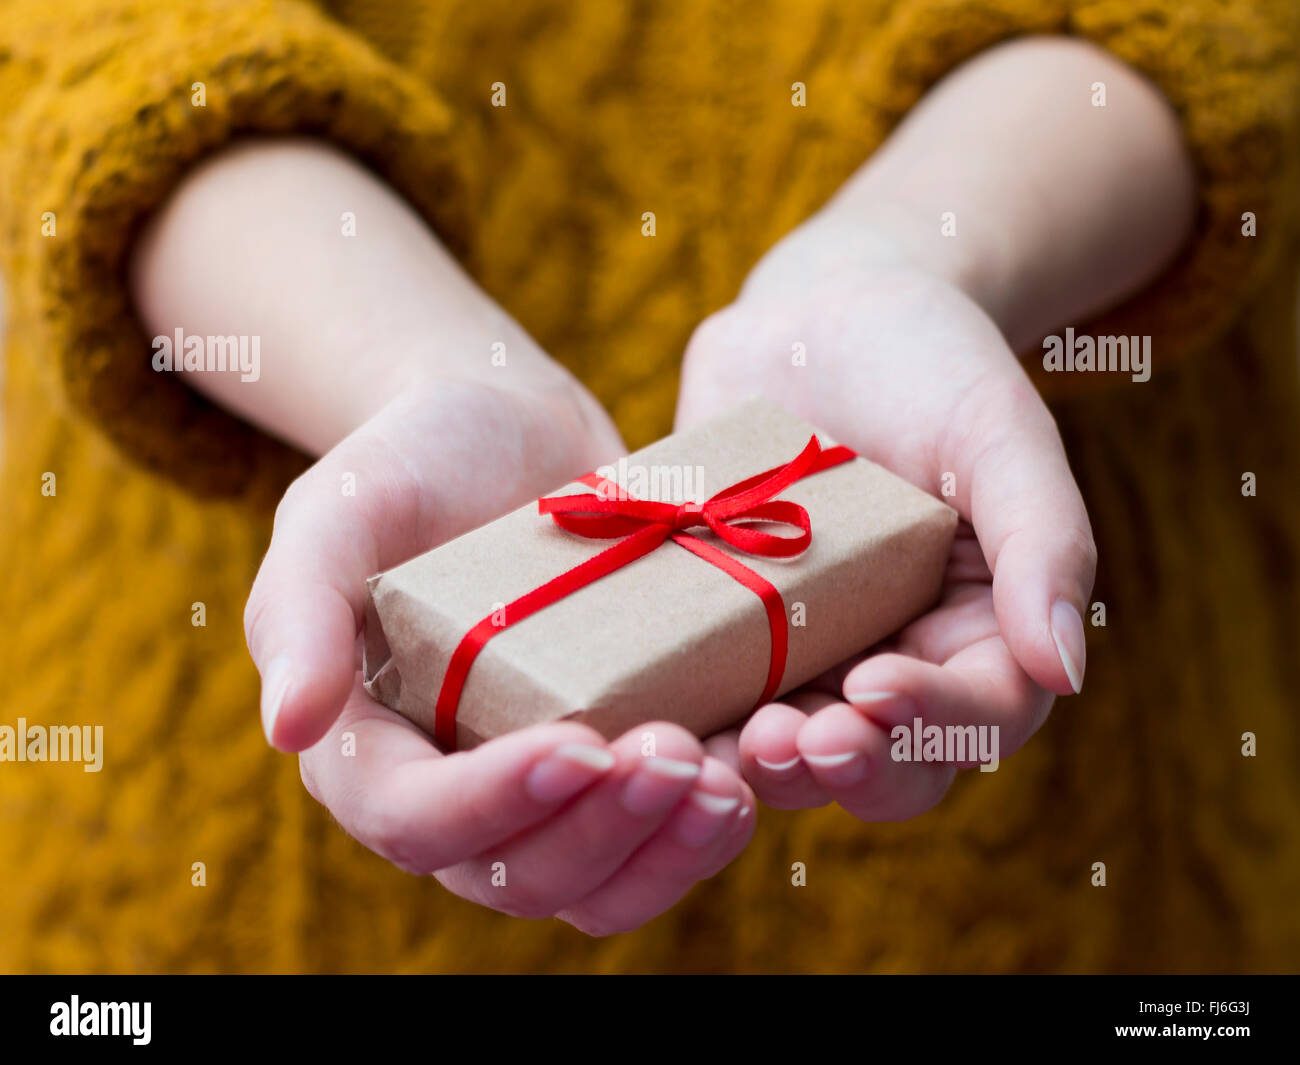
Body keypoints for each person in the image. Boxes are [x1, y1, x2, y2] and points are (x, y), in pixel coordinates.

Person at [1, 0, 1296, 972]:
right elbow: (116, 49)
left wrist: (909, 261)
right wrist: (406, 371)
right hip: (214, 856)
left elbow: (1198, 24)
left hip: (1087, 858)